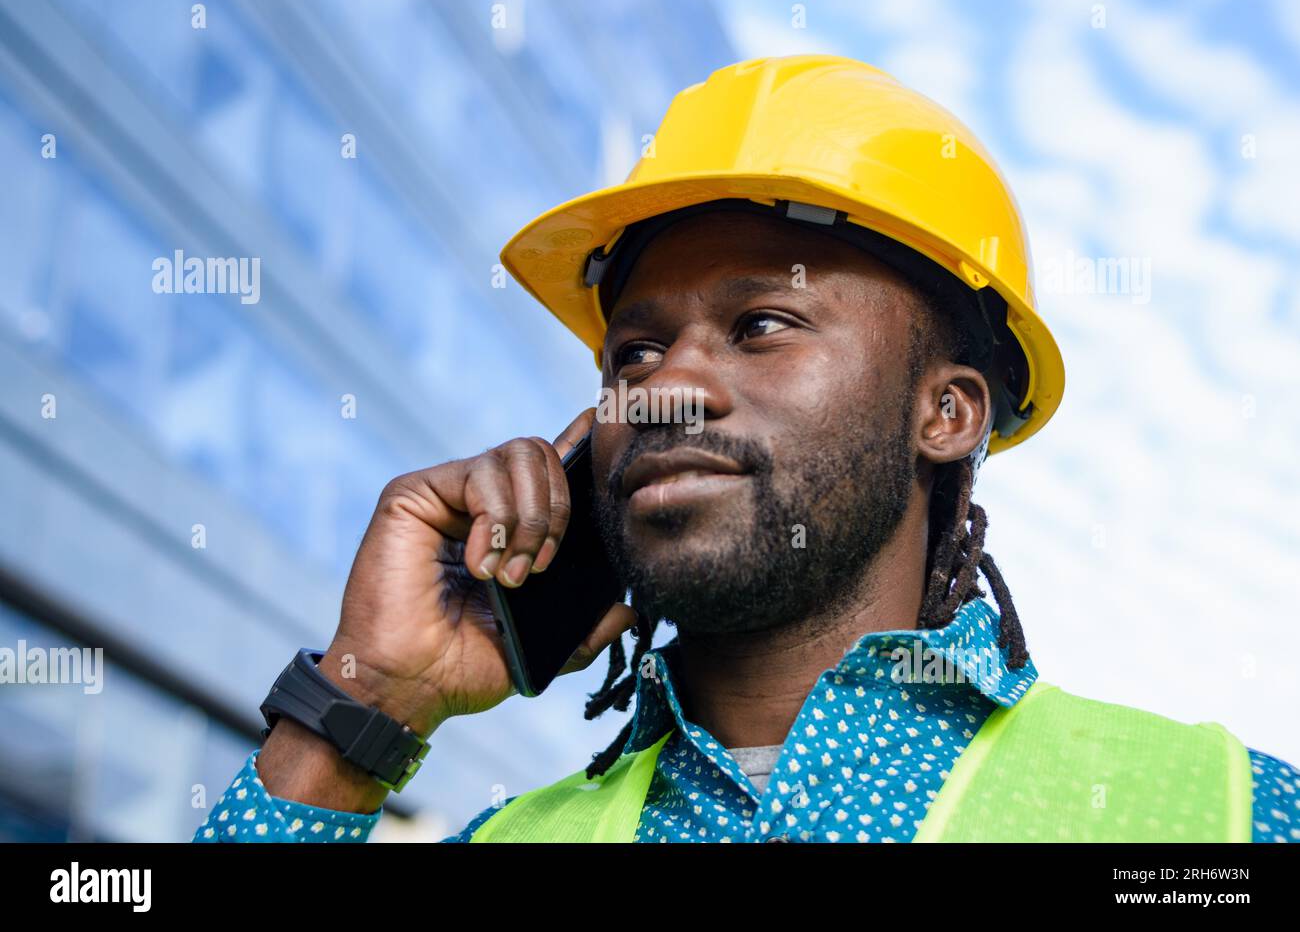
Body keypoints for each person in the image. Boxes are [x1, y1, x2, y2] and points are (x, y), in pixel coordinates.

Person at [194, 55, 1298, 843]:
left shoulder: (1223, 816)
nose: (663, 388)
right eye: (631, 353)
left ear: (947, 413)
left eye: (762, 323)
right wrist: (363, 710)